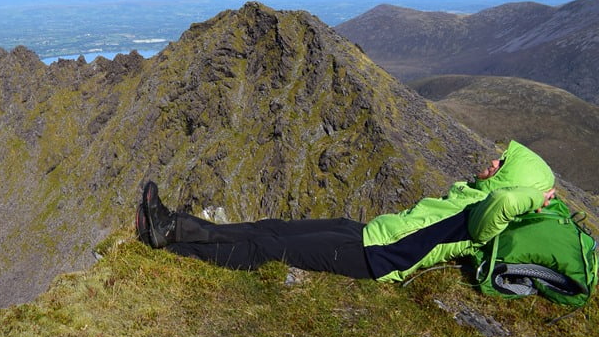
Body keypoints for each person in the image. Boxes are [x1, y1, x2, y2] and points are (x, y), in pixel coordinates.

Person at [136, 140, 558, 283]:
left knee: (268, 248)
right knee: (275, 226)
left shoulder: (489, 211)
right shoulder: (474, 194)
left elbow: (502, 204)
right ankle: (173, 225)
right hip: (369, 233)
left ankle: (173, 247)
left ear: (514, 180)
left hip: (380, 259)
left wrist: (531, 197)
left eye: (502, 164)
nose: (492, 162)